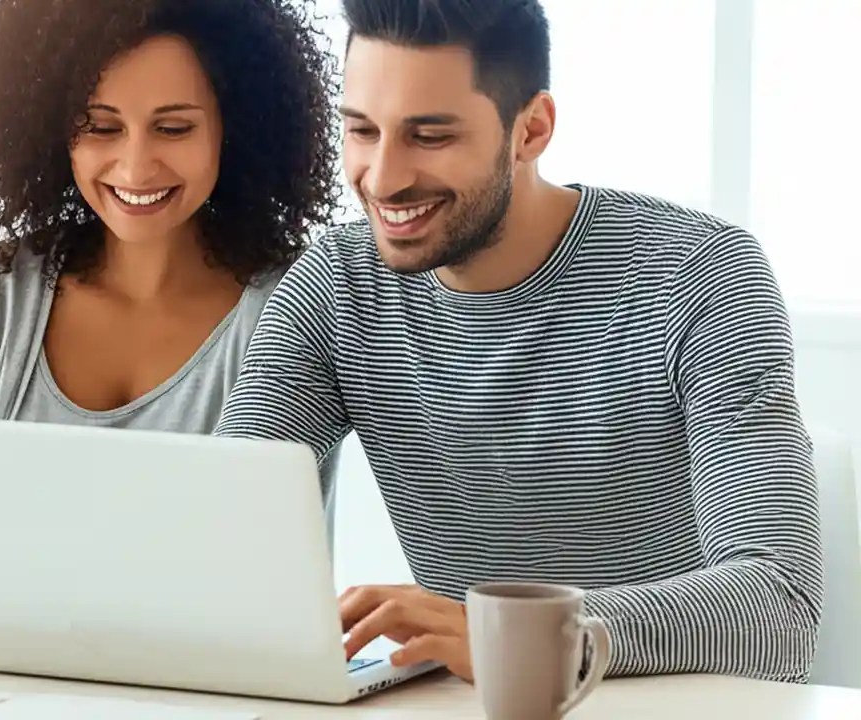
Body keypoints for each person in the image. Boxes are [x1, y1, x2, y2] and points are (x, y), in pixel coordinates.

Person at [215, 0, 823, 684]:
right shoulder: (334, 286)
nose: (382, 178)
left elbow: (781, 607)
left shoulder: (703, 275)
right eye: (361, 131)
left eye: (430, 136)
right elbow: (225, 528)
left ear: (531, 129)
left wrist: (525, 636)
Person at [0, 0, 340, 639]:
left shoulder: (301, 301)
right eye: (100, 127)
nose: (135, 166)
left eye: (174, 128)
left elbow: (252, 577)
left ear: (235, 127)